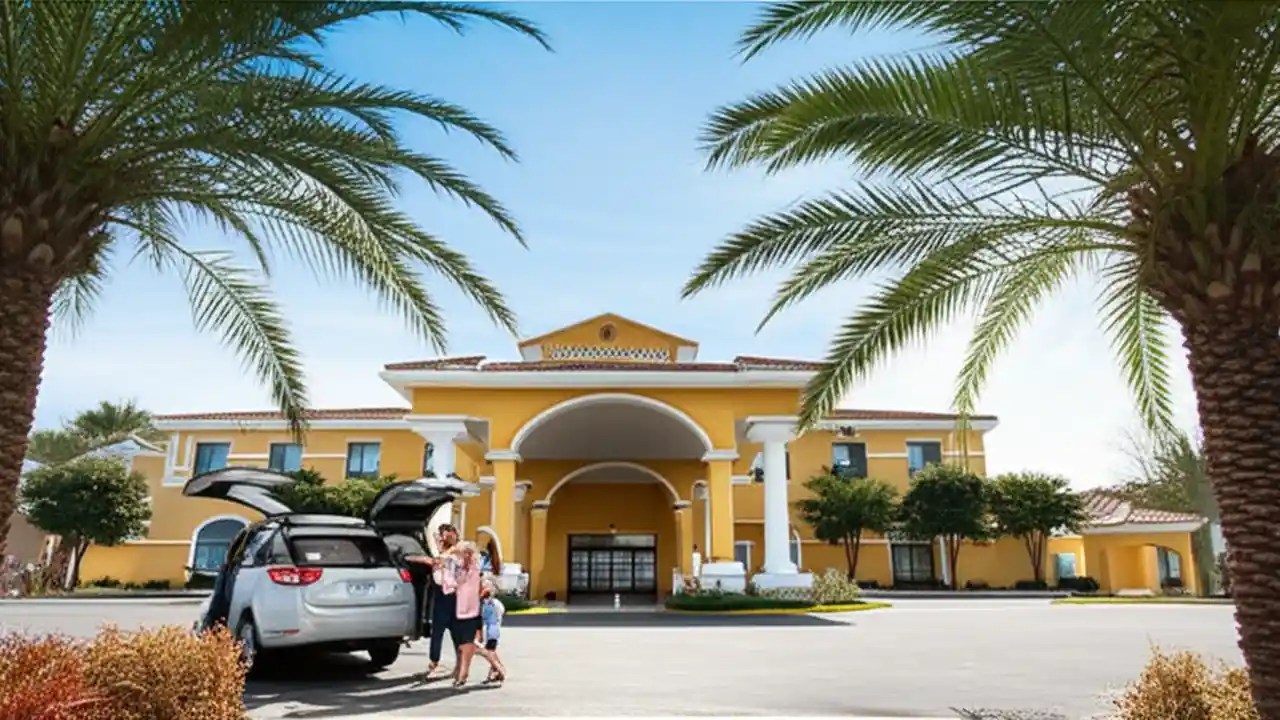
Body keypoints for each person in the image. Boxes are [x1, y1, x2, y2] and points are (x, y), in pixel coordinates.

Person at [401, 523, 460, 679]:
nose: (439, 539)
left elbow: (441, 566)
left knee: (452, 633)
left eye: (442, 537)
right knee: (440, 633)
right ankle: (438, 663)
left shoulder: (453, 555)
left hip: (451, 599)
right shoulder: (443, 555)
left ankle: (455, 665)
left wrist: (433, 560)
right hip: (444, 599)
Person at [443, 541, 483, 688]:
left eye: (468, 553)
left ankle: (463, 673)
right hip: (457, 610)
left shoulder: (474, 568)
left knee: (467, 645)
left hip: (470, 612)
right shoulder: (454, 567)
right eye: (463, 553)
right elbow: (448, 583)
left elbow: (459, 583)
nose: (465, 556)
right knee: (461, 644)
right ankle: (495, 666)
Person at [476, 579, 507, 684]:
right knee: (490, 652)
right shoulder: (484, 603)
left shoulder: (492, 604)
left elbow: (493, 618)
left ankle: (499, 670)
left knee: (490, 652)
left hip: (492, 632)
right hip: (490, 631)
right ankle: (496, 671)